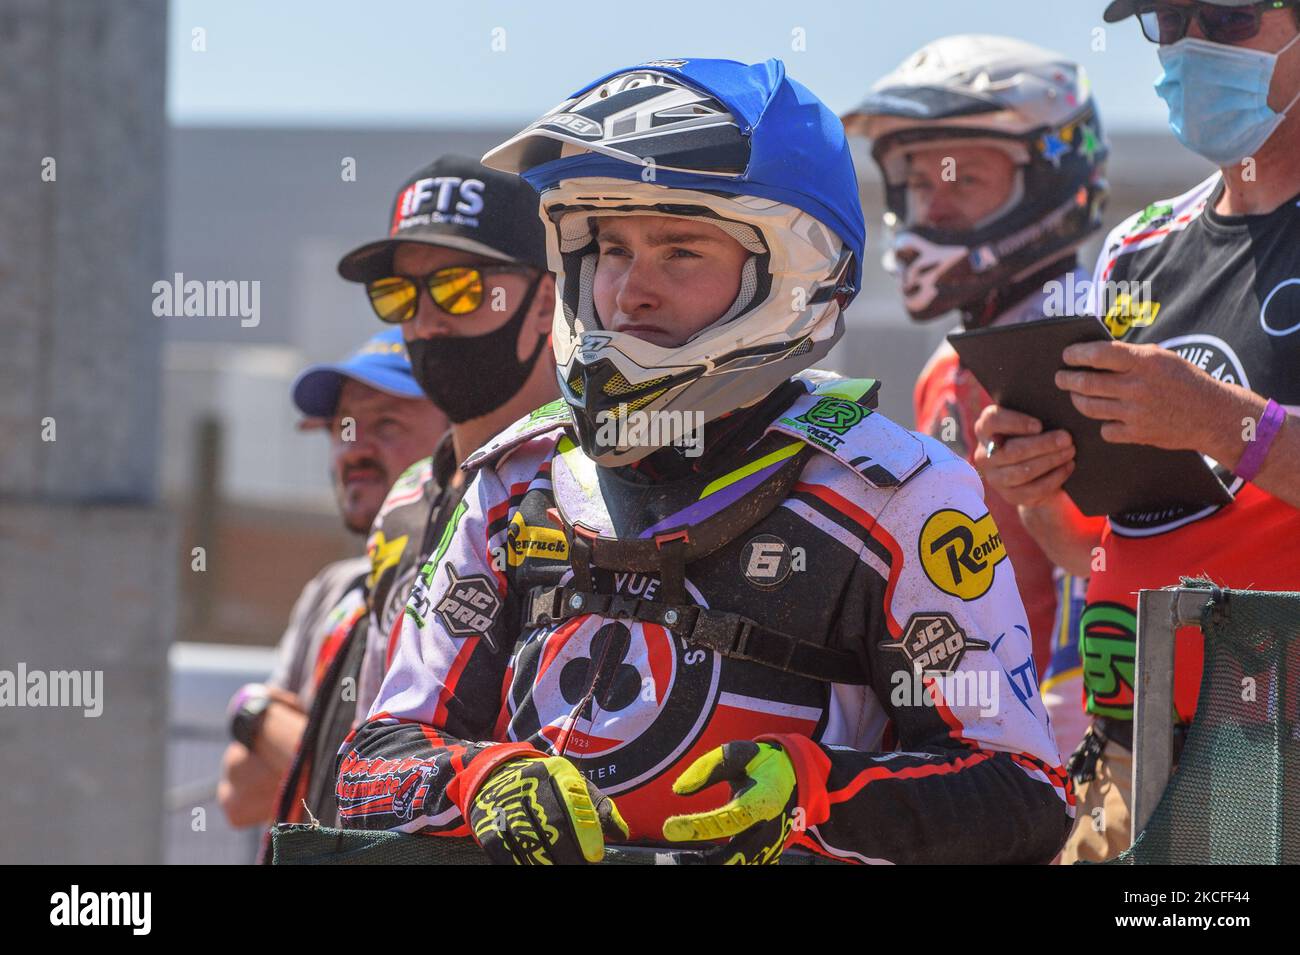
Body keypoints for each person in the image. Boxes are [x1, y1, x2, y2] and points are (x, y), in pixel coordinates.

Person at [335, 58, 1072, 865]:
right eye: (611, 248)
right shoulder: (517, 480)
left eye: (680, 251)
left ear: (792, 273)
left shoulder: (896, 493)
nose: (628, 292)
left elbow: (1024, 792)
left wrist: (818, 793)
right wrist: (480, 781)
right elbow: (371, 763)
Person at [974, 0, 1300, 862]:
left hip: (1283, 768)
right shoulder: (1135, 250)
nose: (1192, 48)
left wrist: (1223, 420)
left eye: (1226, 19)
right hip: (1128, 755)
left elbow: (1225, 433)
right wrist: (1037, 486)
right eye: (1170, 21)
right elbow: (1106, 548)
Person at [842, 34, 1110, 759]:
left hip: (1080, 742)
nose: (937, 202)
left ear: (1050, 178)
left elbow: (1110, 565)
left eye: (965, 179)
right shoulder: (949, 362)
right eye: (920, 180)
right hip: (991, 737)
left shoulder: (1094, 334)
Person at [335, 155, 557, 731]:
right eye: (398, 295)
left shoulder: (587, 492)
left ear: (545, 302)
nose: (426, 320)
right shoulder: (406, 499)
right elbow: (375, 723)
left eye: (459, 289)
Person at [218, 327, 447, 828]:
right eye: (341, 428)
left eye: (386, 425)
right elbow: (239, 795)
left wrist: (255, 716)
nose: (352, 450)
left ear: (459, 435)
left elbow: (397, 792)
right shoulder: (335, 589)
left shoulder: (475, 583)